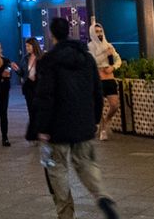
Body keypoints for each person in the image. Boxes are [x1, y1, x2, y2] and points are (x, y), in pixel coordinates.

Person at [29, 17, 118, 219]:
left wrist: (40, 127)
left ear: (52, 35)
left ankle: (65, 212)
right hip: (83, 122)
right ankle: (102, 195)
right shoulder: (86, 58)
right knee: (86, 163)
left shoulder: (49, 60)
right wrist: (95, 119)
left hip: (57, 126)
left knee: (57, 169)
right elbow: (96, 90)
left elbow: (45, 96)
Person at [89, 23, 123, 141]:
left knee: (114, 105)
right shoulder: (90, 47)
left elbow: (118, 59)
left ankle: (107, 121)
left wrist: (113, 67)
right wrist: (105, 54)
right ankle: (103, 129)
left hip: (109, 78)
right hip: (97, 80)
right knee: (99, 106)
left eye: (100, 31)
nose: (99, 34)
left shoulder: (108, 45)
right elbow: (93, 61)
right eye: (96, 31)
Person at [20, 38, 43, 145]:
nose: (27, 48)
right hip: (28, 86)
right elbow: (22, 72)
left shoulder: (41, 58)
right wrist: (17, 70)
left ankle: (39, 131)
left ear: (34, 46)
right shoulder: (25, 58)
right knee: (31, 109)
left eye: (29, 46)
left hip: (38, 86)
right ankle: (34, 134)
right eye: (26, 46)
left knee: (39, 109)